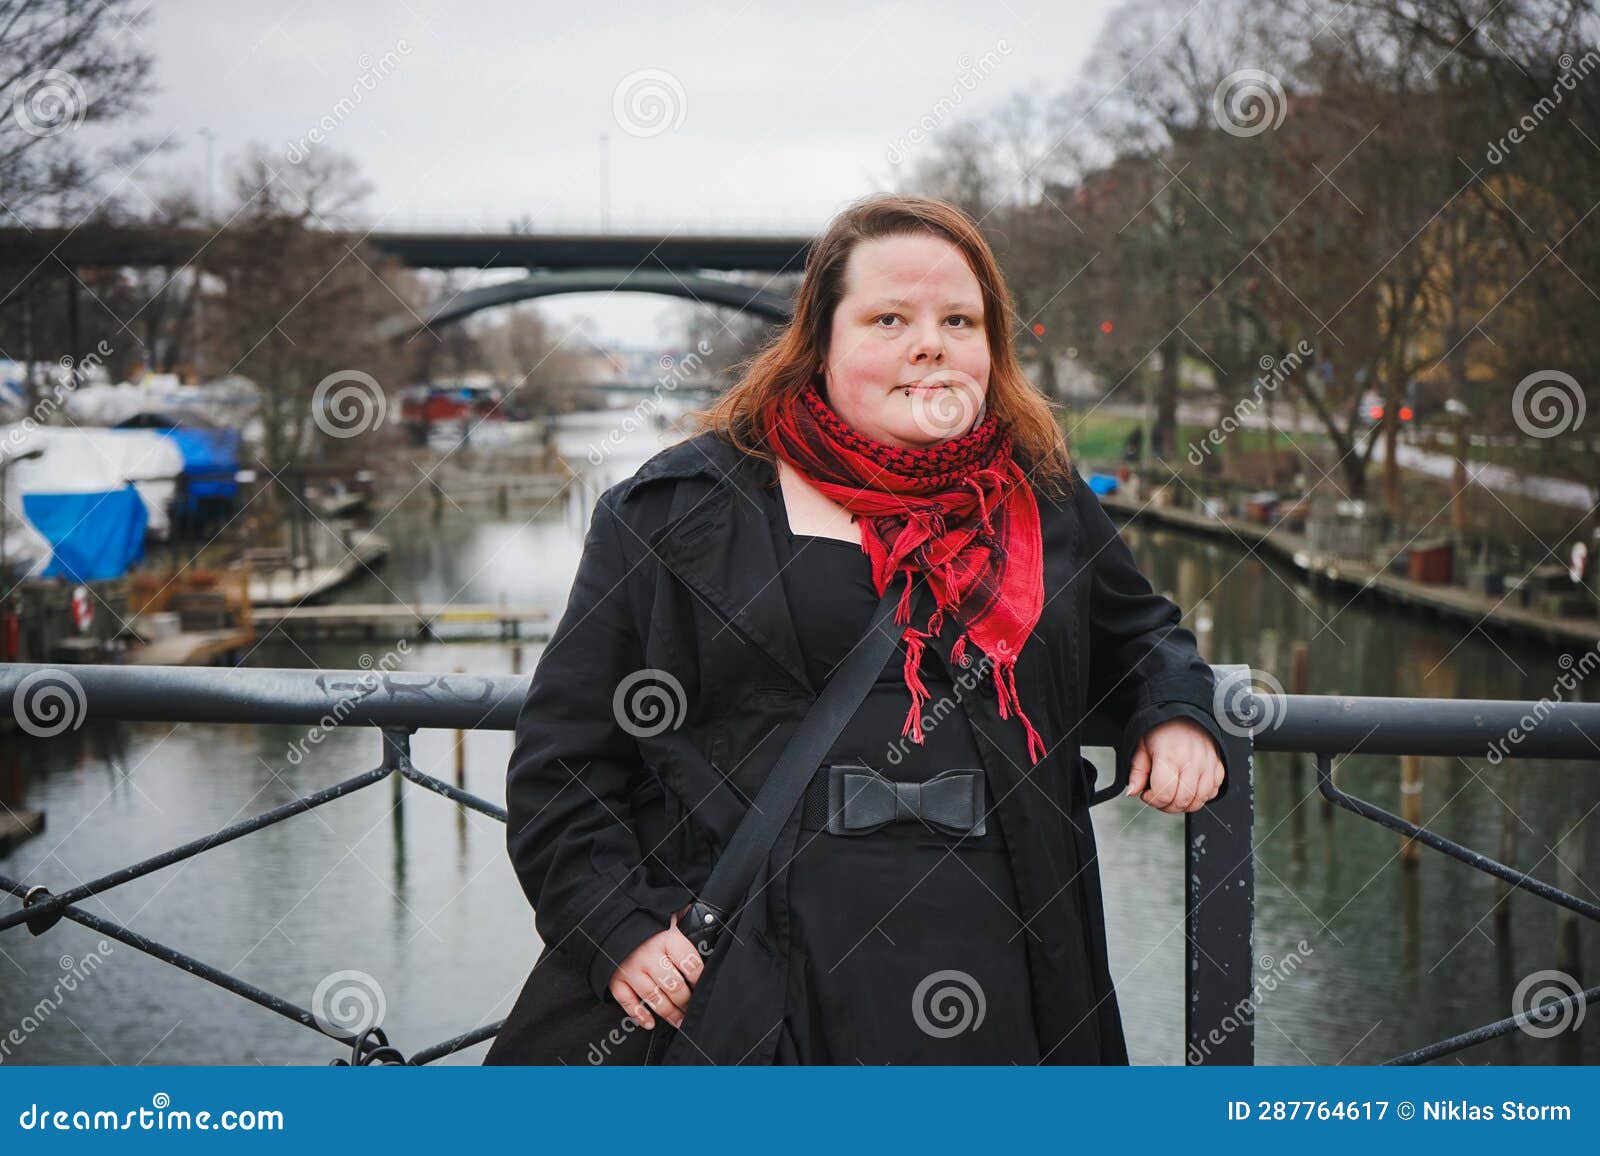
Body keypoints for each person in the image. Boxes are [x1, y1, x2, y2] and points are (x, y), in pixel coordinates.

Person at [502, 193, 1229, 1066]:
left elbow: (1144, 633)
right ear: (821, 342)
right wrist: (617, 927)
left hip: (1013, 992)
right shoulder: (679, 510)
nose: (930, 342)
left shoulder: (1042, 502)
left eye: (960, 319)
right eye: (889, 318)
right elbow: (563, 762)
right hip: (755, 1007)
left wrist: (1178, 711)